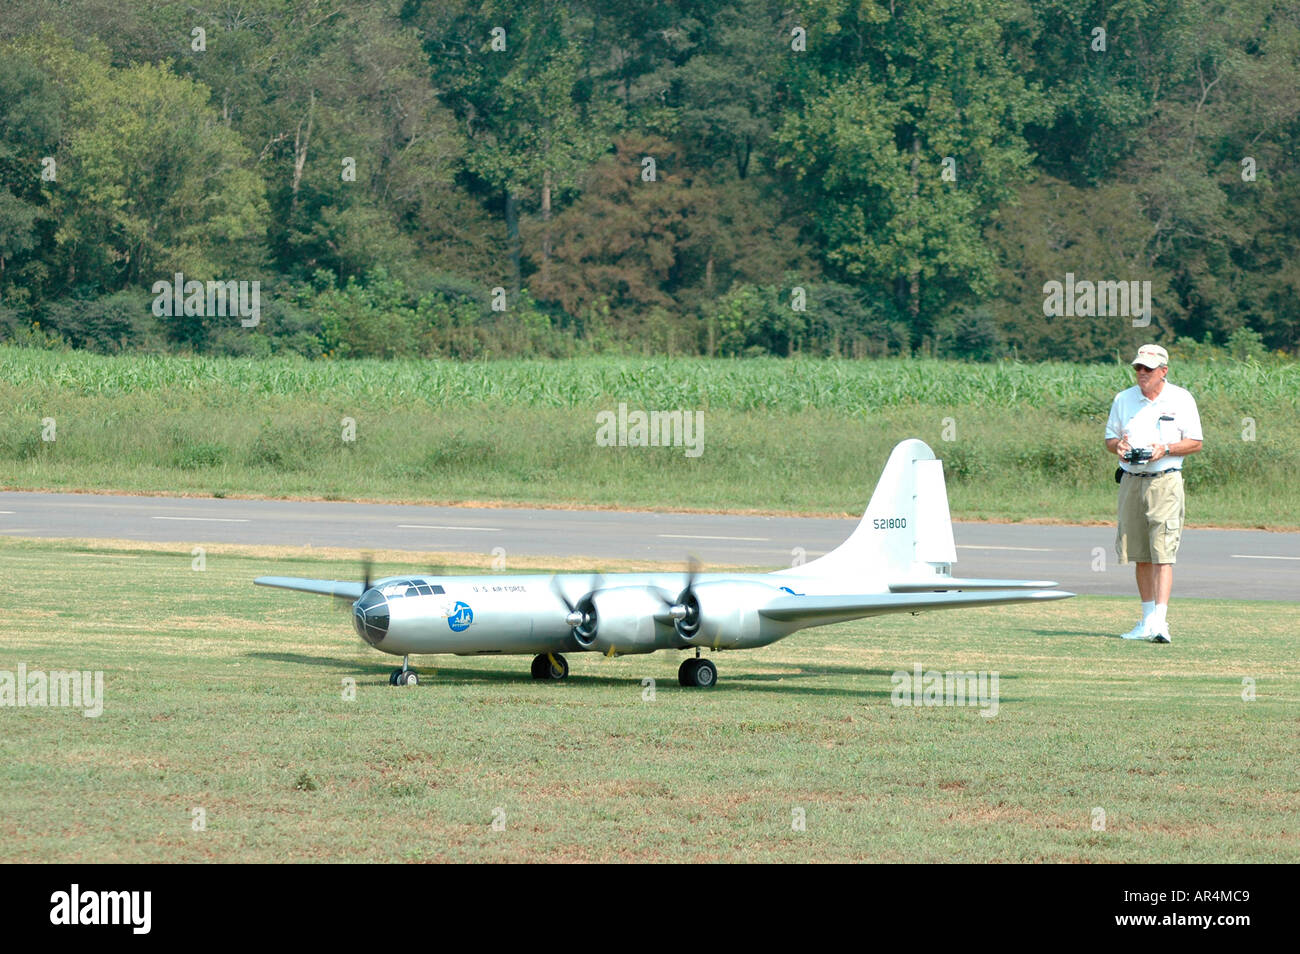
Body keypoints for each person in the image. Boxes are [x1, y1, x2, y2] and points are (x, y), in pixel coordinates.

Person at [1104, 344, 1203, 643]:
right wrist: (1119, 447)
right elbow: (1110, 438)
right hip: (1131, 479)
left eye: (1148, 368)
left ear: (1163, 371)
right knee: (1139, 553)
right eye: (1138, 368)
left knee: (1163, 553)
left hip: (1165, 480)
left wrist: (1166, 449)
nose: (1142, 373)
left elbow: (1195, 442)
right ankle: (1146, 620)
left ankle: (1161, 622)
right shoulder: (1123, 399)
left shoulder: (1181, 398)